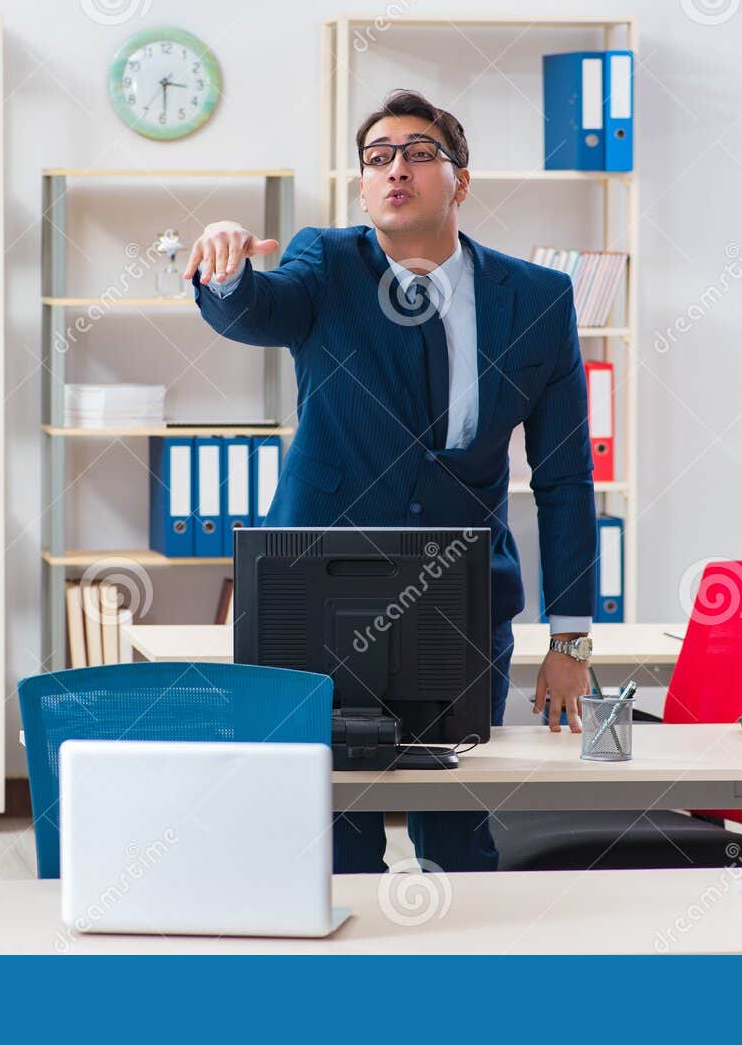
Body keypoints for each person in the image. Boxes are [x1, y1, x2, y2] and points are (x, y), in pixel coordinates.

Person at [185, 90, 598, 874]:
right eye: (377, 158)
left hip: (461, 604)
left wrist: (570, 640)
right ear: (363, 186)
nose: (395, 168)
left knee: (461, 838)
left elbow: (566, 479)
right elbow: (258, 312)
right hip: (315, 600)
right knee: (328, 839)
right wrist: (227, 268)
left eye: (417, 152)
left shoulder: (537, 301)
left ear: (460, 180)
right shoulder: (328, 263)